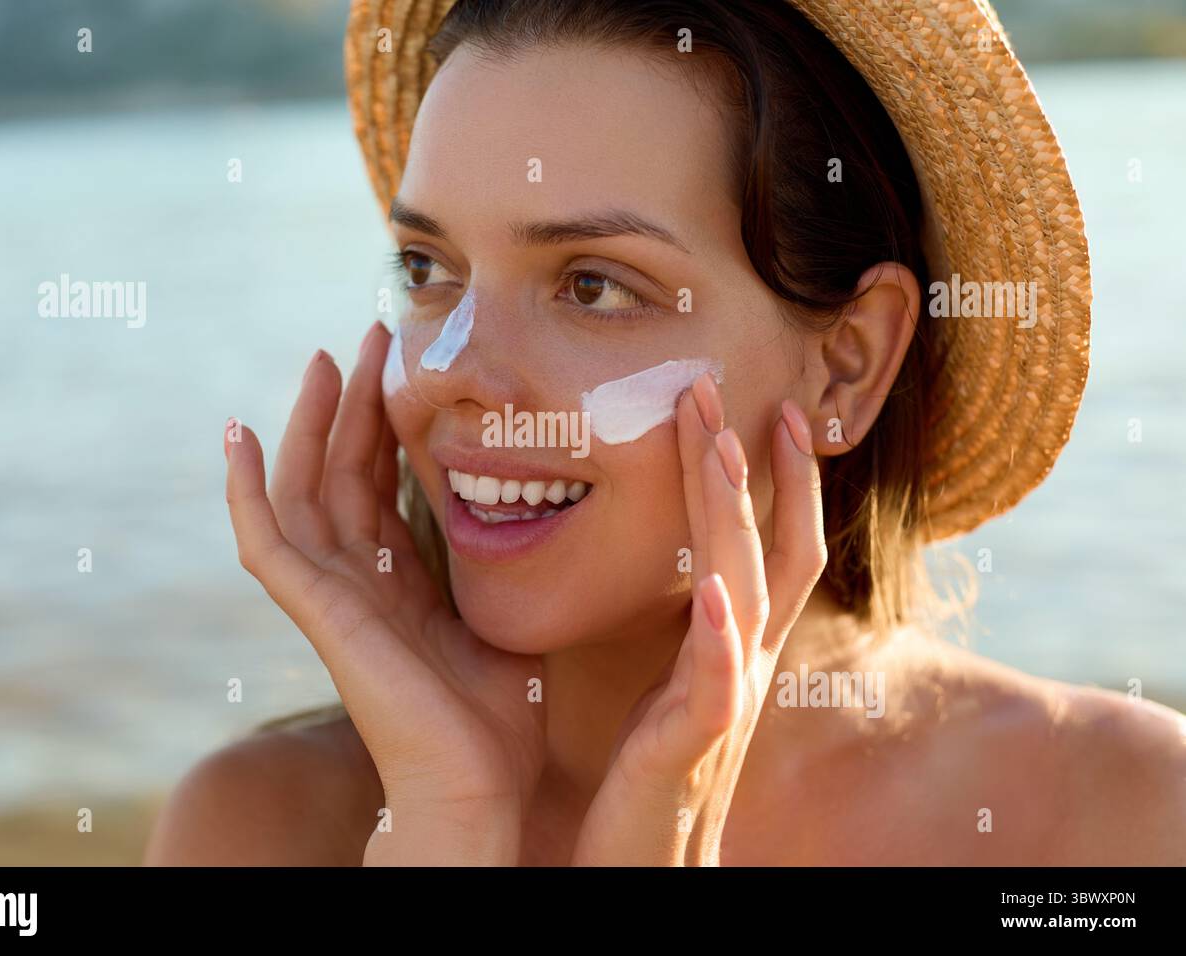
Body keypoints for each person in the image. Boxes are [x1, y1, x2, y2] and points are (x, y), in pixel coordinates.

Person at [146, 0, 1185, 865]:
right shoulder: (256, 830)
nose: (453, 370)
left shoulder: (1120, 818)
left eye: (592, 285)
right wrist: (447, 822)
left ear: (848, 361)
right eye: (428, 268)